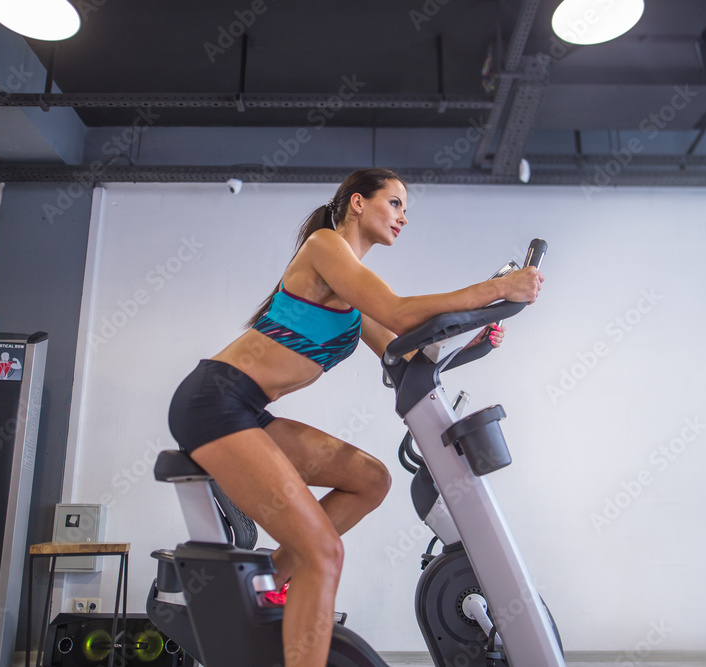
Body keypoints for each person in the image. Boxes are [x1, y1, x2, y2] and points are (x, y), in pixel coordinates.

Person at [167, 167, 543, 666]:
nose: (403, 217)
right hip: (213, 402)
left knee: (370, 479)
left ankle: (266, 585)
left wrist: (473, 343)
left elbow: (405, 354)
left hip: (247, 410)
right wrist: (498, 290)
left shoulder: (351, 297)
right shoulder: (324, 246)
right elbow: (401, 311)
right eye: (396, 204)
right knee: (323, 554)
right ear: (358, 203)